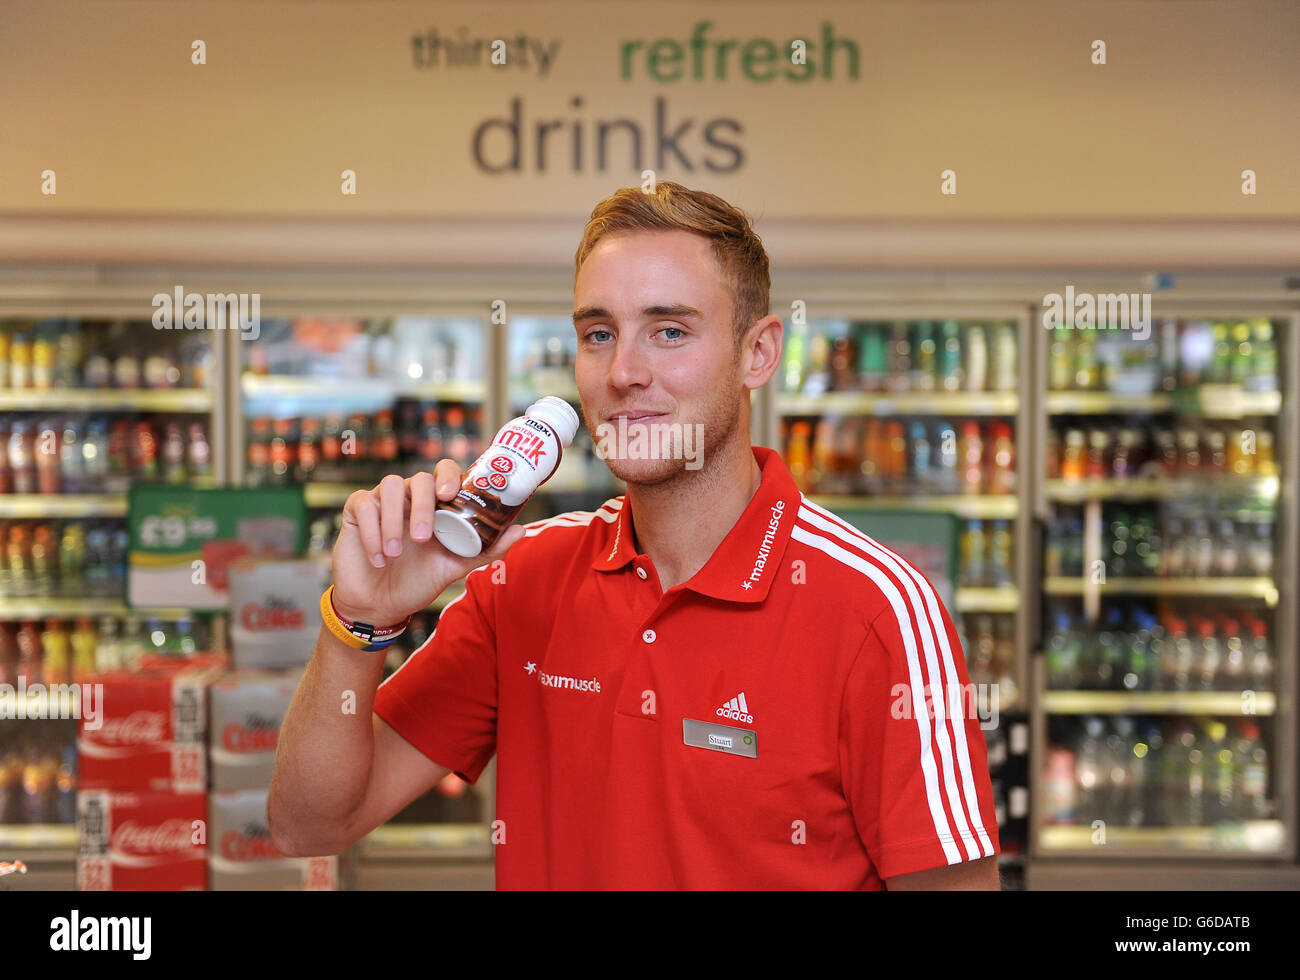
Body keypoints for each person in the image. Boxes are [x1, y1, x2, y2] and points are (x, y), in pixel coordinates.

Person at [269, 181, 1001, 889]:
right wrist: (359, 623)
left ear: (759, 353)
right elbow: (308, 828)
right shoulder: (522, 583)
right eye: (598, 333)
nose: (623, 372)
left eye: (670, 330)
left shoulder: (881, 612)